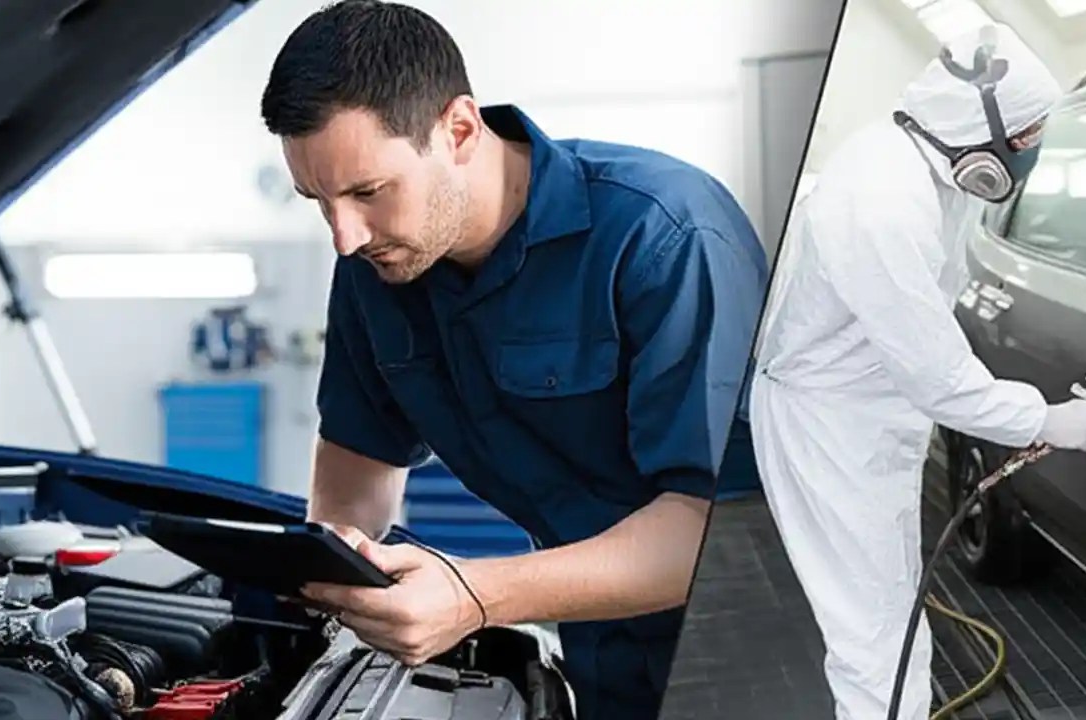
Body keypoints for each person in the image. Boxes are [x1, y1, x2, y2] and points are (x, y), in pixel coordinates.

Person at [257, 2, 768, 719]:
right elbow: (355, 473)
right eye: (319, 200)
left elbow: (711, 531)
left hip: (745, 656)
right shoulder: (377, 268)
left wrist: (474, 595)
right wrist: (341, 560)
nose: (344, 236)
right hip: (598, 653)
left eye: (367, 192)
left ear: (459, 130)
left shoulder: (665, 236)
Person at [749, 23, 1086, 720]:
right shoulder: (881, 199)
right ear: (980, 129)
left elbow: (927, 331)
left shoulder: (939, 174)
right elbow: (937, 374)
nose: (1034, 152)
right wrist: (1046, 420)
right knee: (877, 638)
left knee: (890, 615)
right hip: (832, 425)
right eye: (1027, 136)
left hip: (871, 410)